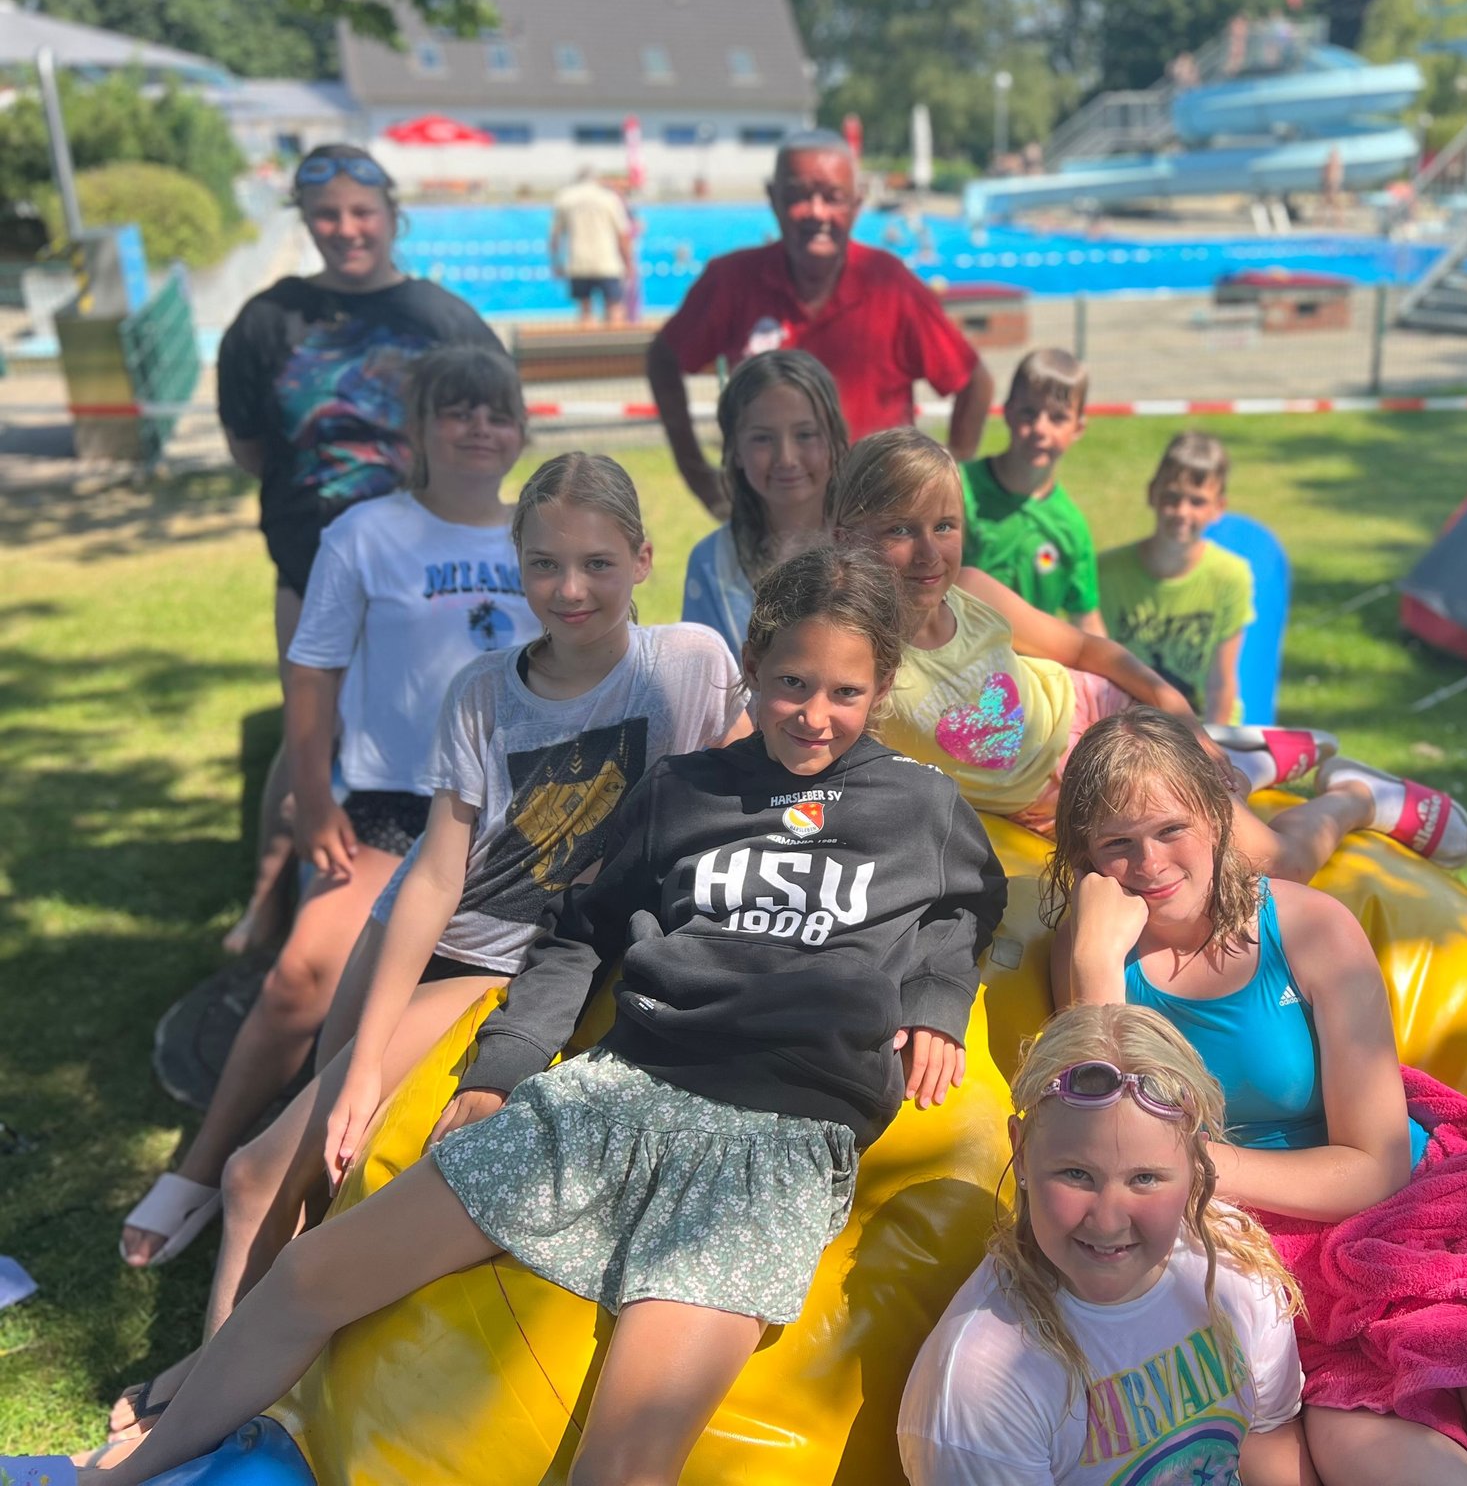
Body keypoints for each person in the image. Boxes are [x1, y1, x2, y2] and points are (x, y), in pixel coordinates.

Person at [43, 545, 1008, 1486]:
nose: (815, 714)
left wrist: (934, 1002)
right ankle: (123, 1471)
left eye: (845, 692)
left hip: (769, 1147)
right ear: (751, 666)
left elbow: (968, 907)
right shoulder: (682, 791)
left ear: (882, 687)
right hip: (617, 1096)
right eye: (792, 683)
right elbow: (577, 932)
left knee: (625, 1463)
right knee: (307, 1280)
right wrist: (500, 1069)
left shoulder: (919, 804)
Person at [103, 454, 749, 1448]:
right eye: (543, 565)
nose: (569, 591)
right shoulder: (484, 692)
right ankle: (215, 1386)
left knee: (263, 1172)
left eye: (595, 564)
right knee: (288, 1165)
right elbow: (437, 879)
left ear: (642, 559)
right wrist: (359, 1062)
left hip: (519, 960)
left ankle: (209, 1395)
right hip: (447, 936)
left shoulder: (690, 663)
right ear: (514, 566)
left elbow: (738, 779)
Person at [1051, 710, 1467, 1486]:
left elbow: (1376, 1170)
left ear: (1217, 815)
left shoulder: (1310, 930)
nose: (1150, 863)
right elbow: (1098, 1151)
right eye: (1116, 845)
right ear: (1087, 860)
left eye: (1172, 829)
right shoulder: (1098, 958)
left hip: (1413, 1226)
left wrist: (1187, 1165)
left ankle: (1357, 798)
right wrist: (1096, 965)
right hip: (1273, 1272)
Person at [118, 348, 541, 1270]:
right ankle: (204, 1166)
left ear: (520, 428)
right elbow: (311, 675)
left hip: (520, 813)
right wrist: (312, 801)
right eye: (455, 411)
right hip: (394, 804)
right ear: (417, 432)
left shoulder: (538, 533)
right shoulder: (367, 533)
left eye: (496, 412)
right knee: (305, 971)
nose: (478, 428)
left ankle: (309, 1190)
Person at [829, 427, 1467, 878]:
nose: (928, 551)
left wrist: (1173, 709)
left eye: (944, 526)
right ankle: (1248, 758)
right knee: (1205, 847)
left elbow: (1085, 648)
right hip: (1060, 804)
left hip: (1107, 725)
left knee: (1276, 867)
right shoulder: (857, 657)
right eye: (898, 531)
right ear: (847, 534)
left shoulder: (970, 591)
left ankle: (1357, 796)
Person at [216, 143, 504, 959]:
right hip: (312, 566)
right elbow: (250, 446)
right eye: (328, 215)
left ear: (391, 215)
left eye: (362, 212)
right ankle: (268, 903)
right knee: (313, 730)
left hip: (429, 568)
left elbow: (492, 420)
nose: (347, 229)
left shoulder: (441, 318)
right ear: (306, 221)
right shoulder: (268, 321)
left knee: (432, 723)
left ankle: (437, 889)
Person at [899, 1004, 1315, 1485]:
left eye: (1145, 1178)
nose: (1109, 1220)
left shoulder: (1234, 1266)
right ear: (1021, 1149)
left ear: (1198, 1161)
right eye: (1076, 1174)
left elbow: (1268, 1437)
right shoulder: (981, 1386)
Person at [647, 131, 995, 518]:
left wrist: (944, 483)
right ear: (773, 198)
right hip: (765, 527)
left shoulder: (890, 284)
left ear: (857, 203)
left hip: (872, 529)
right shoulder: (731, 281)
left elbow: (974, 382)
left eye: (832, 197)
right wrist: (698, 474)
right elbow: (664, 358)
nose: (816, 211)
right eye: (798, 195)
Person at [680, 349, 850, 659]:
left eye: (806, 434)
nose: (786, 458)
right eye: (762, 438)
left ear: (836, 440)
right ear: (735, 451)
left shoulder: (875, 544)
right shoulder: (712, 565)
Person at [1096, 431, 1255, 725]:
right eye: (1172, 497)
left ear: (1218, 508)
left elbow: (1221, 683)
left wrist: (1213, 755)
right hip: (1130, 731)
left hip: (1206, 728)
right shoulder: (1104, 573)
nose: (1182, 512)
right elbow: (1095, 678)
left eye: (1197, 501)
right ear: (1151, 494)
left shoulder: (1232, 576)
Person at [959, 349, 1104, 633]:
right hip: (951, 667)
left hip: (1027, 673)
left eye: (1058, 417)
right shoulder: (957, 489)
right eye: (1029, 412)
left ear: (1078, 428)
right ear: (1008, 412)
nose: (1040, 428)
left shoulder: (1070, 527)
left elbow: (1087, 621)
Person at [550, 168, 634, 327]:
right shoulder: (609, 198)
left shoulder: (565, 198)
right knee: (615, 308)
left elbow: (555, 237)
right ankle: (617, 349)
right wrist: (628, 263)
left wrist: (556, 263)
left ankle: (586, 350)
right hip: (607, 262)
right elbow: (622, 234)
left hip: (578, 262)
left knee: (585, 311)